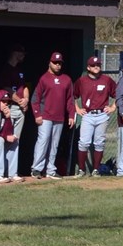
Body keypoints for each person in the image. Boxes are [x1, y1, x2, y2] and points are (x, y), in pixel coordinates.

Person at [30, 51, 76, 179]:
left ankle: (50, 169)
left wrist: (71, 115)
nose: (57, 65)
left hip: (59, 117)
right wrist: (37, 114)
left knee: (54, 144)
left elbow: (70, 100)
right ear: (49, 63)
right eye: (55, 63)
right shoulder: (44, 78)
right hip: (45, 116)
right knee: (43, 141)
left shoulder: (66, 79)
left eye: (59, 63)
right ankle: (36, 169)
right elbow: (35, 99)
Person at [74, 55, 117, 178]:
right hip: (88, 114)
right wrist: (77, 109)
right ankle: (81, 170)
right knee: (84, 143)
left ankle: (96, 170)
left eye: (98, 65)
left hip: (102, 114)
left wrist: (113, 107)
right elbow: (73, 95)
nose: (96, 67)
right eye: (93, 65)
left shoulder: (106, 80)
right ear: (88, 67)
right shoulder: (82, 81)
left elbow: (118, 94)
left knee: (99, 143)